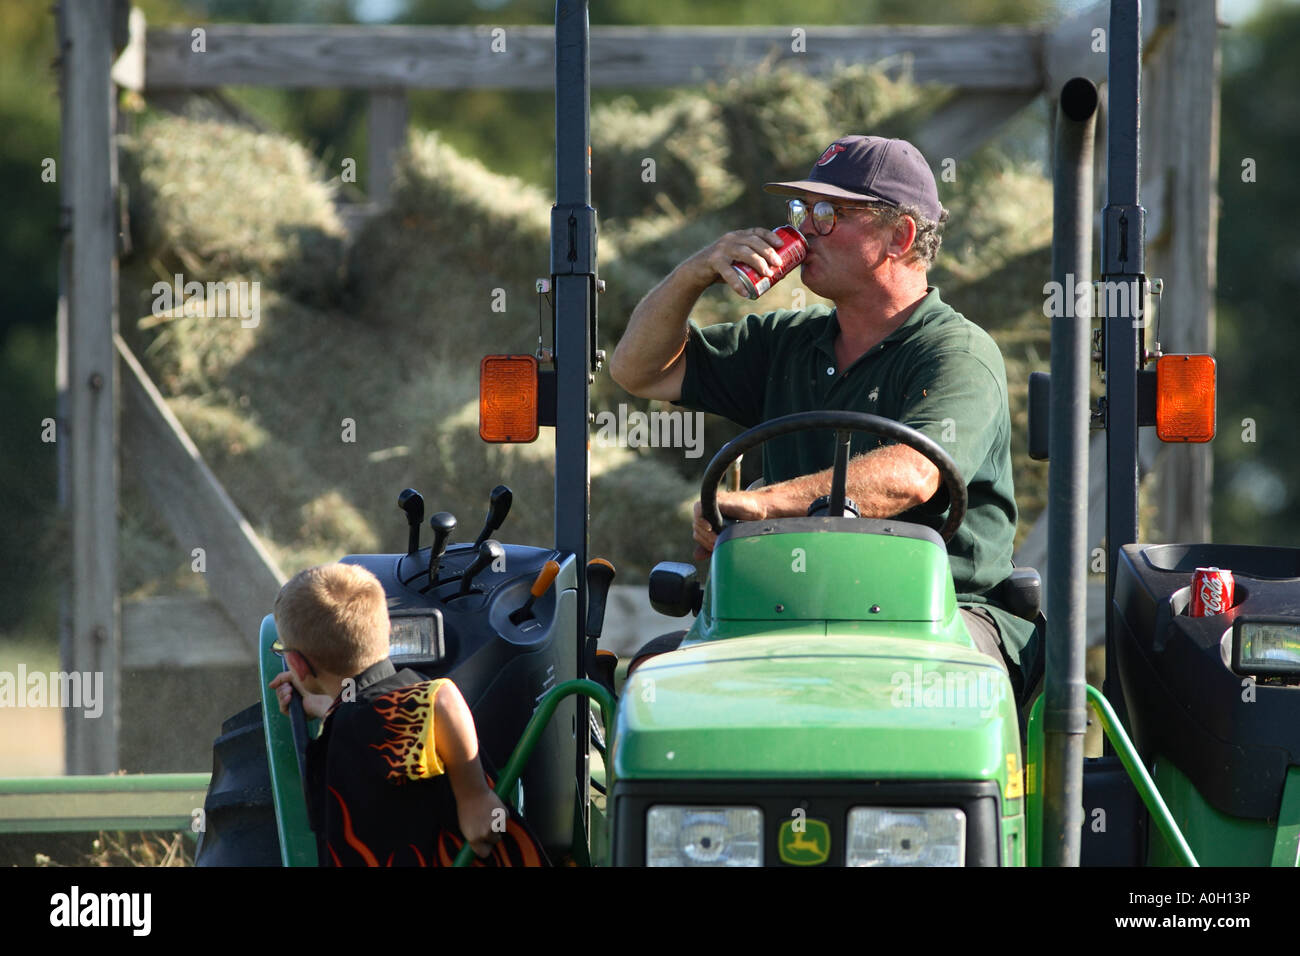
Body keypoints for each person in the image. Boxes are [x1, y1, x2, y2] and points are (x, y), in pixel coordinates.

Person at [609, 134, 1036, 693]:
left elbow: (914, 472)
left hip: (941, 611)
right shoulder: (785, 340)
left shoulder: (957, 352)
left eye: (830, 213)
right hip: (790, 606)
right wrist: (696, 272)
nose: (805, 228)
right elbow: (637, 371)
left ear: (899, 236)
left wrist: (763, 505)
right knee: (656, 680)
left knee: (911, 690)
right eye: (801, 210)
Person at [269, 562, 541, 866]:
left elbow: (443, 698)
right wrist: (320, 707)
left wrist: (474, 797)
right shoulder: (372, 708)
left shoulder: (374, 715)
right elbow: (365, 723)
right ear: (387, 631)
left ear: (296, 663)